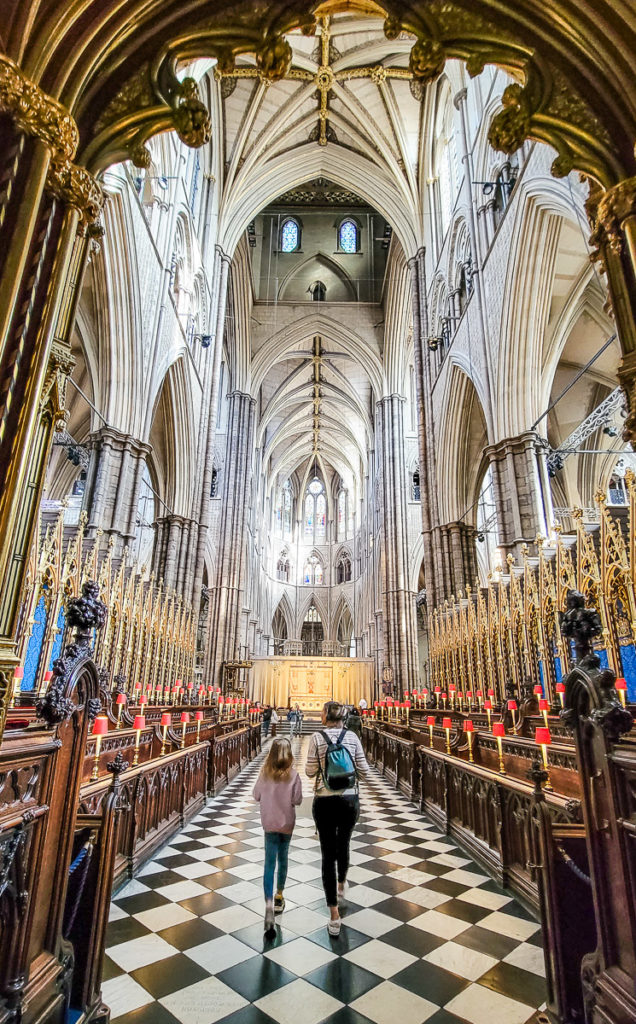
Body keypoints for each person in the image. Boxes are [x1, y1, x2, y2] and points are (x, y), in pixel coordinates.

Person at [306, 701, 369, 936]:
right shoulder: (352, 737)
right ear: (343, 717)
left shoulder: (316, 738)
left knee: (326, 854)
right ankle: (341, 885)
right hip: (349, 800)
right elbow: (364, 771)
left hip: (324, 800)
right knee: (344, 844)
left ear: (325, 716)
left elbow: (310, 771)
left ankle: (334, 914)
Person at [253, 738, 302, 933]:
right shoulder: (294, 775)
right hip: (287, 823)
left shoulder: (264, 774)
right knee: (283, 859)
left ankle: (268, 904)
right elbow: (297, 800)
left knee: (268, 862)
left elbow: (256, 795)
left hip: (269, 822)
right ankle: (280, 895)